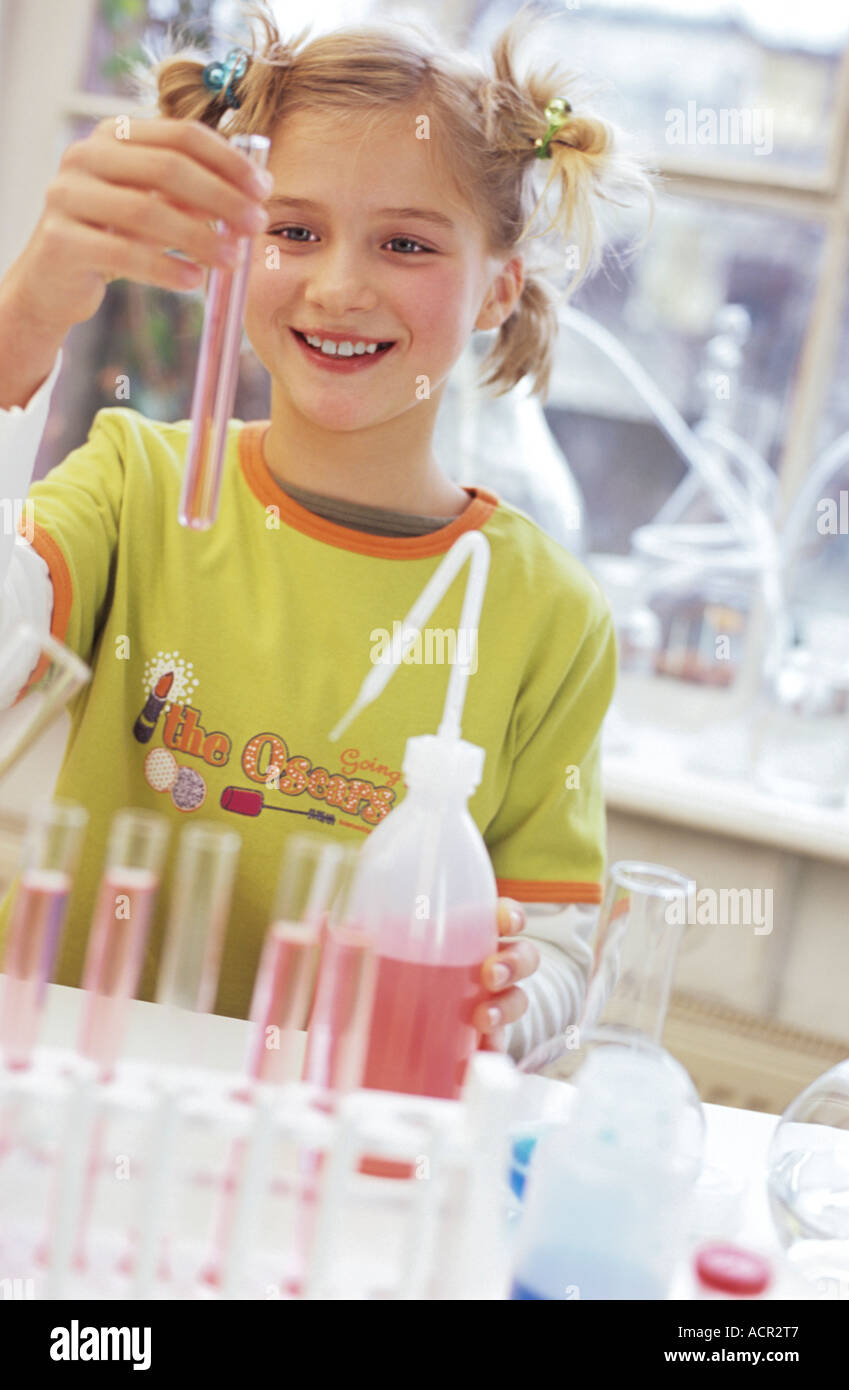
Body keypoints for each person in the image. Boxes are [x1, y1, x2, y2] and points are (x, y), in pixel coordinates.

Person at [0, 4, 651, 1062]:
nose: (341, 285)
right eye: (294, 231)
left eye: (406, 243)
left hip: (332, 1152)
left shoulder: (546, 613)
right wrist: (26, 313)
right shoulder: (137, 482)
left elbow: (556, 947)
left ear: (499, 288)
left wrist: (501, 1000)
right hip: (70, 1098)